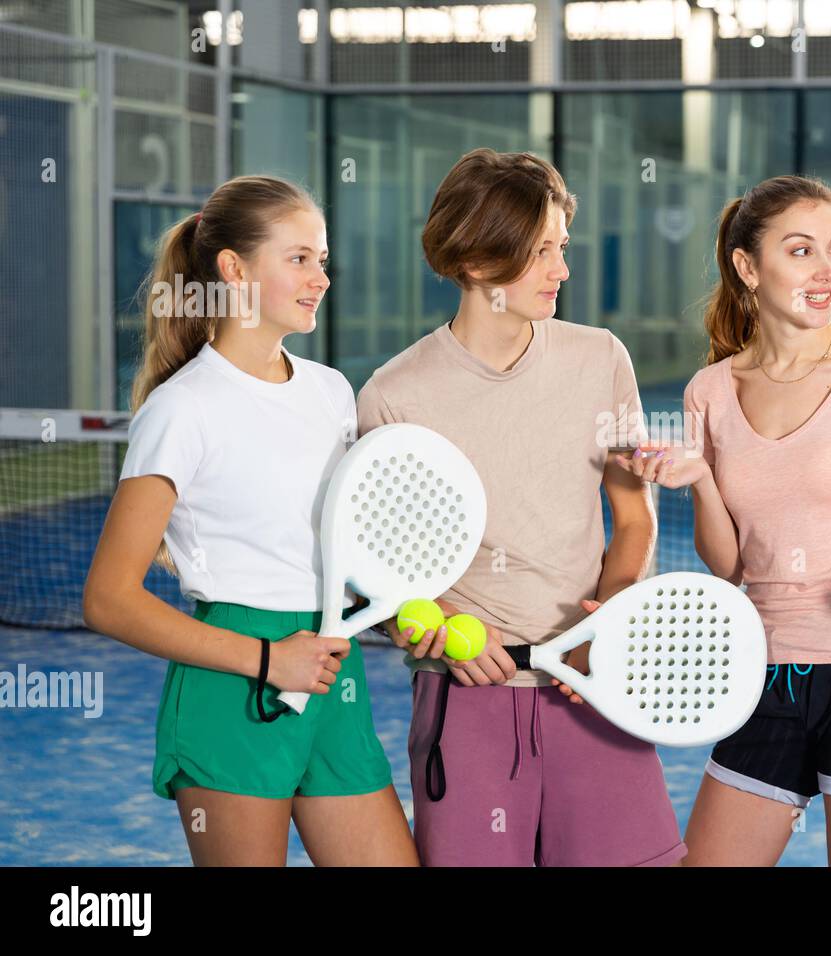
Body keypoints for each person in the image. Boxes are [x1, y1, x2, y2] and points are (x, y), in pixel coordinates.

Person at [361, 148, 685, 867]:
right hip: (468, 698)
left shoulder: (602, 358)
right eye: (541, 252)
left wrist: (612, 614)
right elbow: (387, 571)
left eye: (560, 249)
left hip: (592, 690)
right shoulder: (392, 395)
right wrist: (444, 624)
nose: (562, 270)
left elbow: (633, 517)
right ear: (476, 260)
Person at [83, 175, 417, 866]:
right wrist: (268, 660)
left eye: (322, 259)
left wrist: (385, 607)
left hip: (330, 671)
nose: (320, 277)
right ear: (233, 269)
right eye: (298, 259)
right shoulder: (182, 410)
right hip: (235, 680)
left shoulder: (330, 392)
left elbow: (325, 547)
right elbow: (108, 599)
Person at [617, 175, 831, 866]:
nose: (828, 270)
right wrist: (701, 478)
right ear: (747, 266)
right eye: (801, 251)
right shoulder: (710, 390)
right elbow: (730, 565)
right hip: (765, 674)